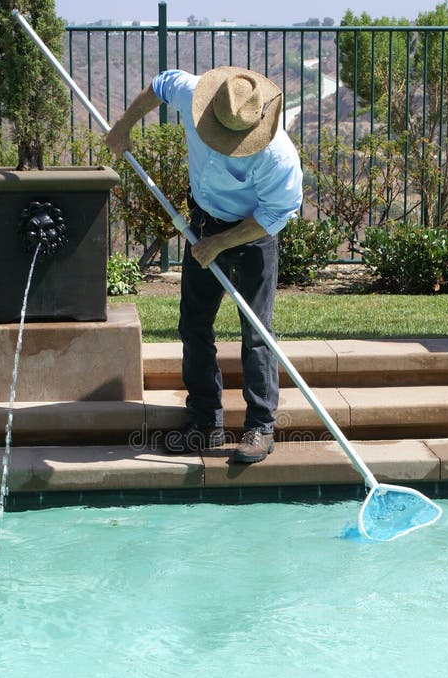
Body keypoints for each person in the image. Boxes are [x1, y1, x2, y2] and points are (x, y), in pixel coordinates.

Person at [105, 66, 303, 463]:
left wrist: (221, 243)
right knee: (194, 326)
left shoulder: (277, 155)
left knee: (257, 331)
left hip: (251, 235)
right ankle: (205, 425)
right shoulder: (193, 93)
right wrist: (122, 127)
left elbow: (275, 214)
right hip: (202, 223)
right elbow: (160, 85)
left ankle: (260, 427)